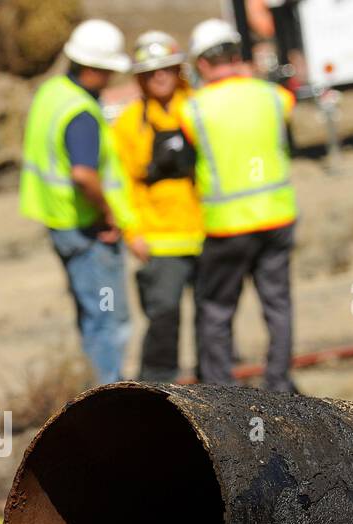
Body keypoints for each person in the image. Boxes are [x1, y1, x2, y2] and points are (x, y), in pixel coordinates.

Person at [179, 18, 299, 393]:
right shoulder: (273, 96)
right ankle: (278, 385)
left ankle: (222, 394)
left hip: (227, 226)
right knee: (278, 306)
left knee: (216, 311)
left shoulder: (194, 110)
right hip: (278, 217)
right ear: (236, 54)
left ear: (201, 64)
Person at [19, 19, 138, 385]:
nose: (111, 79)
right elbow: (84, 175)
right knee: (108, 321)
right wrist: (107, 215)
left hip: (59, 223)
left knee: (90, 314)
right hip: (89, 232)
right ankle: (108, 401)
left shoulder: (51, 92)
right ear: (92, 68)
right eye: (107, 72)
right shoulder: (81, 114)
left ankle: (96, 393)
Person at [111, 31, 203, 383]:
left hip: (209, 231)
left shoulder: (197, 108)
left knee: (211, 318)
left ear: (178, 69)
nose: (159, 77)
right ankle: (156, 387)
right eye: (150, 72)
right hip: (160, 240)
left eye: (166, 69)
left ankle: (216, 387)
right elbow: (120, 184)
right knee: (163, 314)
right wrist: (132, 232)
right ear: (139, 78)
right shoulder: (129, 122)